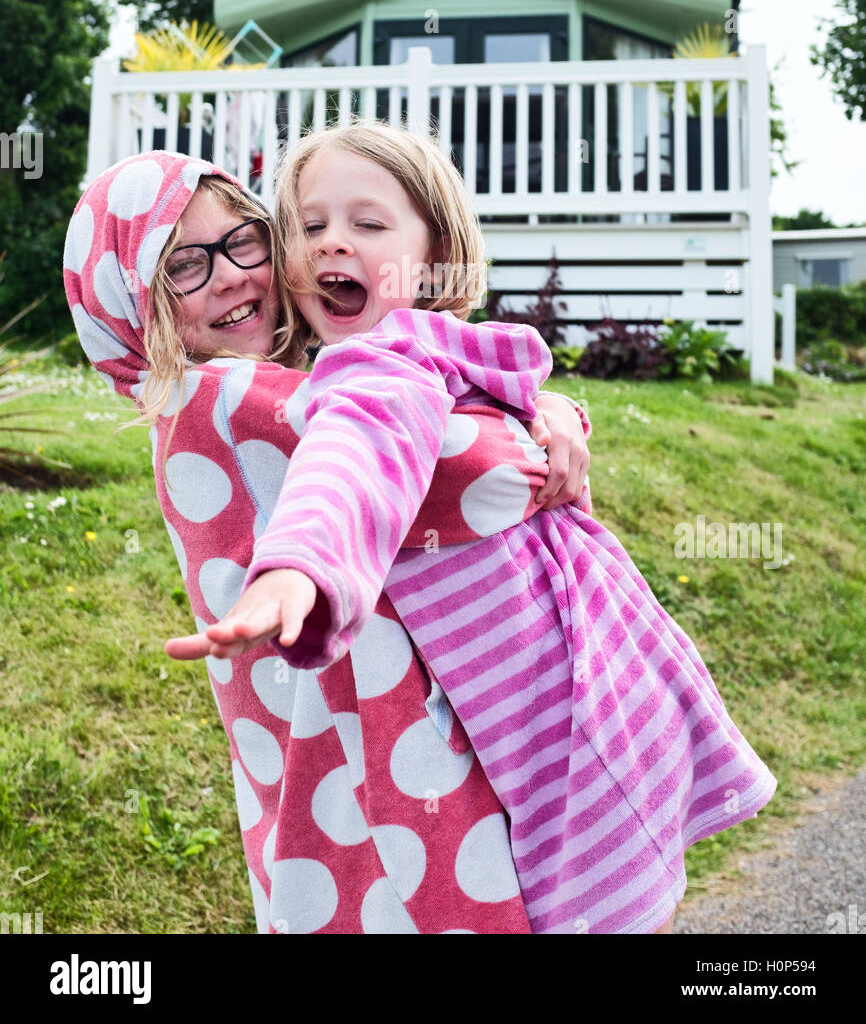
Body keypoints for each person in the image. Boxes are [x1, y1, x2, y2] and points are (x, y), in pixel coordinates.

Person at [177, 120, 778, 936]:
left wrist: (556, 412)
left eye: (368, 223)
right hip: (539, 708)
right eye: (309, 226)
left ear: (434, 256)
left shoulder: (430, 348)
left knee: (621, 894)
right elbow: (354, 453)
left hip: (592, 678)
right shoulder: (365, 371)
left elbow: (497, 414)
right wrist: (301, 563)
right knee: (604, 899)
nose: (331, 243)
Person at [63, 149, 592, 935]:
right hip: (364, 769)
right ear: (127, 303)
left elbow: (400, 409)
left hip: (342, 759)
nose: (231, 276)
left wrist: (547, 406)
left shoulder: (265, 384)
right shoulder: (219, 401)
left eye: (243, 241)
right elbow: (473, 470)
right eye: (183, 266)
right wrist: (540, 418)